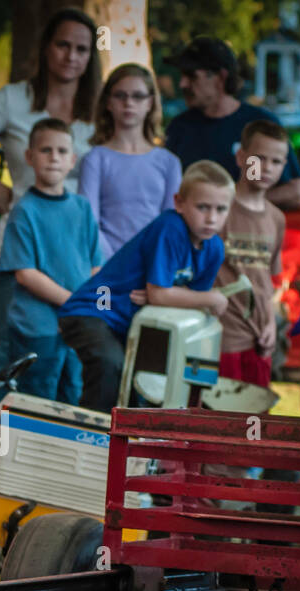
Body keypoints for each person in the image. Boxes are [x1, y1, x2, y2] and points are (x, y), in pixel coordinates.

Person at [0, 6, 99, 459]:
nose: (71, 56)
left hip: (74, 258)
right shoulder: (14, 99)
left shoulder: (97, 111)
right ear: (46, 48)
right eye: (63, 45)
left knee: (63, 367)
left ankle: (37, 460)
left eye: (82, 49)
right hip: (21, 250)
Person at [56, 160, 232, 412]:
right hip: (93, 311)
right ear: (179, 203)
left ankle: (132, 440)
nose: (211, 218)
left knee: (146, 379)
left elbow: (185, 300)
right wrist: (211, 299)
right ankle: (93, 437)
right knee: (110, 365)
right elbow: (162, 294)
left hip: (131, 322)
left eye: (221, 209)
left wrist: (170, 297)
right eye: (202, 207)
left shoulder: (214, 248)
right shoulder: (170, 227)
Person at [0, 118, 101, 403]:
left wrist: (89, 308)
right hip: (38, 327)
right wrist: (74, 304)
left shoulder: (82, 208)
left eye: (61, 151)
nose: (54, 157)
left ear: (72, 160)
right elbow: (26, 274)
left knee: (74, 395)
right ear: (29, 157)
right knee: (37, 400)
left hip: (78, 325)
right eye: (45, 150)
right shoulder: (24, 211)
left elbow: (96, 265)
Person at [163, 36, 300, 211]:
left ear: (220, 78)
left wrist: (235, 203)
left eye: (192, 76)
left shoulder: (259, 124)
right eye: (182, 76)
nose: (183, 83)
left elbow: (294, 193)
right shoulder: (179, 128)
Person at [79, 63, 181, 260]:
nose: (129, 103)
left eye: (137, 96)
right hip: (106, 267)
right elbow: (89, 223)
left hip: (153, 269)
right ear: (108, 102)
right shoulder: (95, 159)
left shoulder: (169, 163)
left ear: (150, 102)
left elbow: (170, 224)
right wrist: (118, 266)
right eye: (120, 95)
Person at [214, 120, 288, 388]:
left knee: (255, 419)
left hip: (259, 341)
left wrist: (271, 324)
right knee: (217, 422)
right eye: (260, 158)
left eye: (277, 161)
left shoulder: (277, 218)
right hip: (219, 337)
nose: (267, 168)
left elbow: (268, 280)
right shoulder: (216, 209)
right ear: (241, 156)